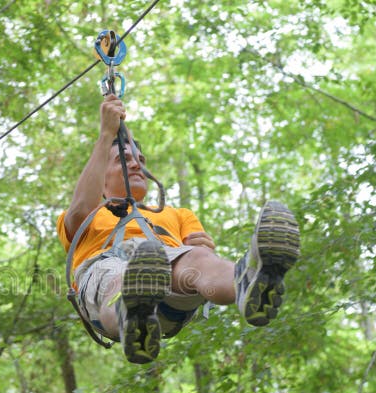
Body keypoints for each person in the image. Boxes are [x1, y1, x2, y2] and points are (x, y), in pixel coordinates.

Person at [56, 94, 301, 363]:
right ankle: (132, 317)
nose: (137, 164)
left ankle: (249, 281)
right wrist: (105, 136)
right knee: (120, 276)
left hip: (168, 285)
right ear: (100, 177)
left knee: (197, 259)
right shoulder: (90, 214)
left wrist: (202, 250)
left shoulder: (177, 215)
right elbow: (79, 211)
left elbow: (197, 258)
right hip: (107, 271)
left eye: (141, 159)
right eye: (123, 159)